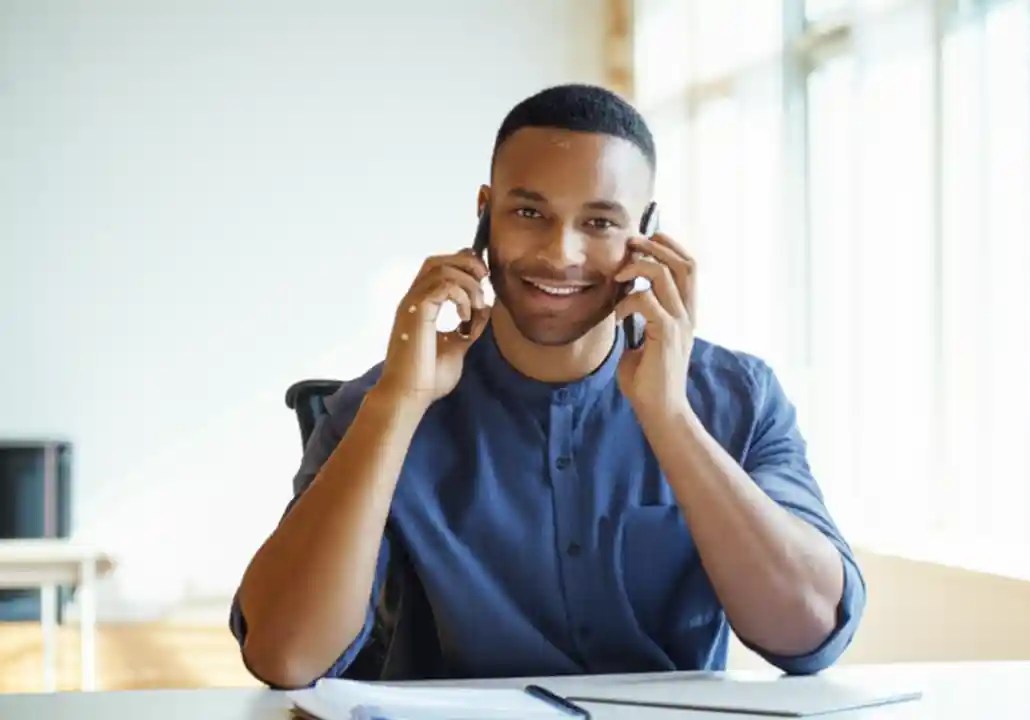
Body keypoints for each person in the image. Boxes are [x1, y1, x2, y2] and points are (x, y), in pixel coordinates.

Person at [229, 83, 866, 689]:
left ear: (645, 232)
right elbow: (285, 655)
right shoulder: (377, 405)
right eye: (530, 212)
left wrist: (670, 419)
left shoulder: (739, 398)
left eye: (599, 223)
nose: (561, 253)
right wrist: (396, 407)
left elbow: (810, 635)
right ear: (485, 216)